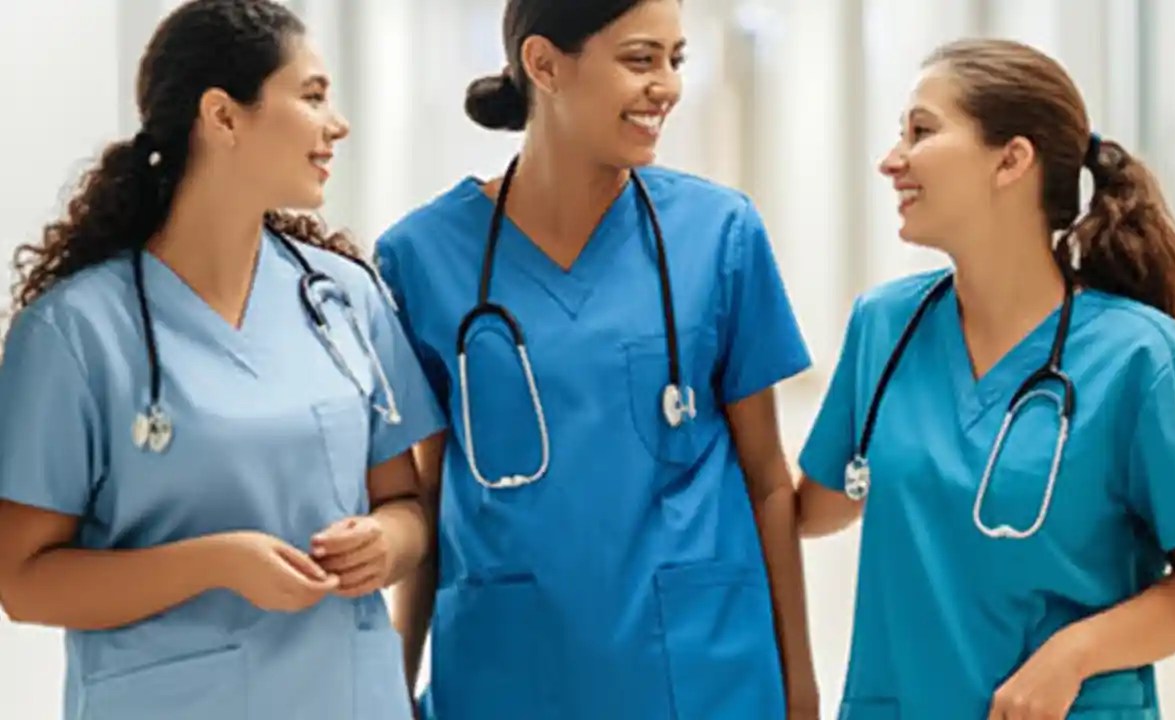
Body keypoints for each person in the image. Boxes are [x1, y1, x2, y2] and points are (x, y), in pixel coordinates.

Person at [0, 1, 445, 718]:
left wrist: (386, 543)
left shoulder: (341, 297)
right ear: (224, 115)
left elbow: (406, 507)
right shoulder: (76, 332)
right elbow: (23, 582)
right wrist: (217, 565)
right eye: (311, 96)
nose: (338, 123)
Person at [375, 1, 819, 718]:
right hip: (507, 673)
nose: (667, 86)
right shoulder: (421, 257)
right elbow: (428, 492)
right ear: (544, 64)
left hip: (703, 675)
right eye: (641, 59)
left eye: (677, 60)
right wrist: (390, 684)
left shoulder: (718, 234)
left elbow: (769, 480)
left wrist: (800, 690)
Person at [796, 37, 1175, 720]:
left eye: (921, 132)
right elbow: (812, 505)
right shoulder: (885, 328)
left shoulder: (1138, 358)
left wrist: (1073, 654)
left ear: (1011, 160)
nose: (891, 160)